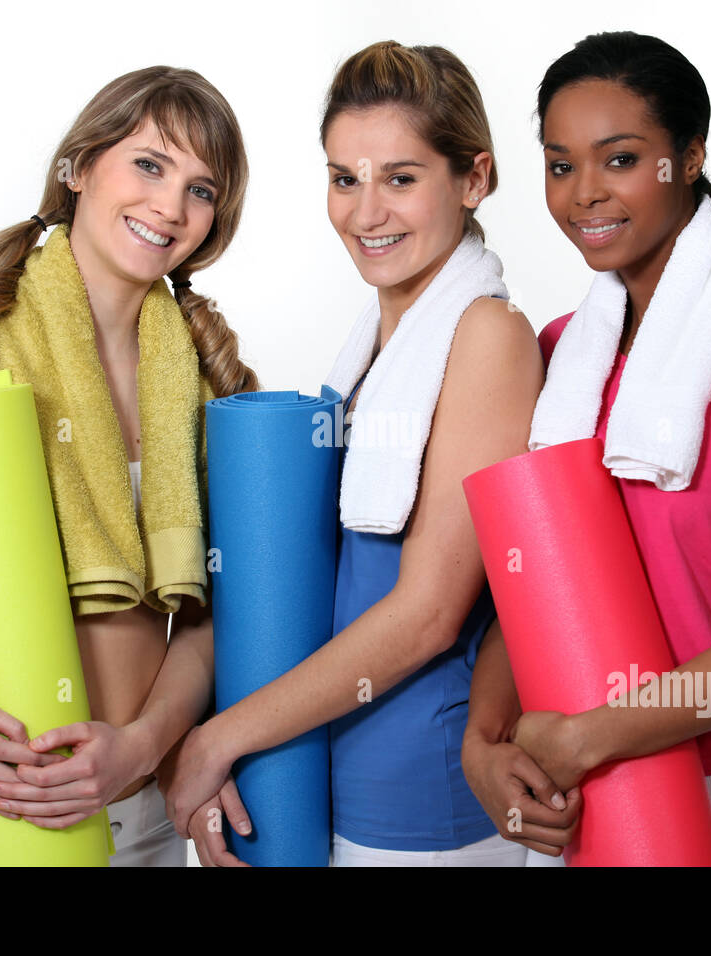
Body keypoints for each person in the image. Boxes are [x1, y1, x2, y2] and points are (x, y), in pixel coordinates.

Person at [0, 66, 258, 866]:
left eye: (201, 189)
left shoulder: (206, 389)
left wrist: (139, 747)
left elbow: (205, 621)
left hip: (136, 814)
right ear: (77, 168)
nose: (170, 205)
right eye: (149, 164)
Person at [162, 40, 564, 866]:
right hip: (328, 785)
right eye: (345, 178)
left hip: (424, 802)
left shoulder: (487, 335)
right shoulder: (376, 353)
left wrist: (216, 741)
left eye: (401, 178)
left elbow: (429, 614)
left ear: (475, 178)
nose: (365, 211)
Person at [471, 31, 711, 866]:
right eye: (559, 164)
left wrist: (601, 733)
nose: (584, 194)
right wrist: (484, 740)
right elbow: (529, 578)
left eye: (619, 160)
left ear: (688, 158)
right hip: (583, 794)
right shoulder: (562, 353)